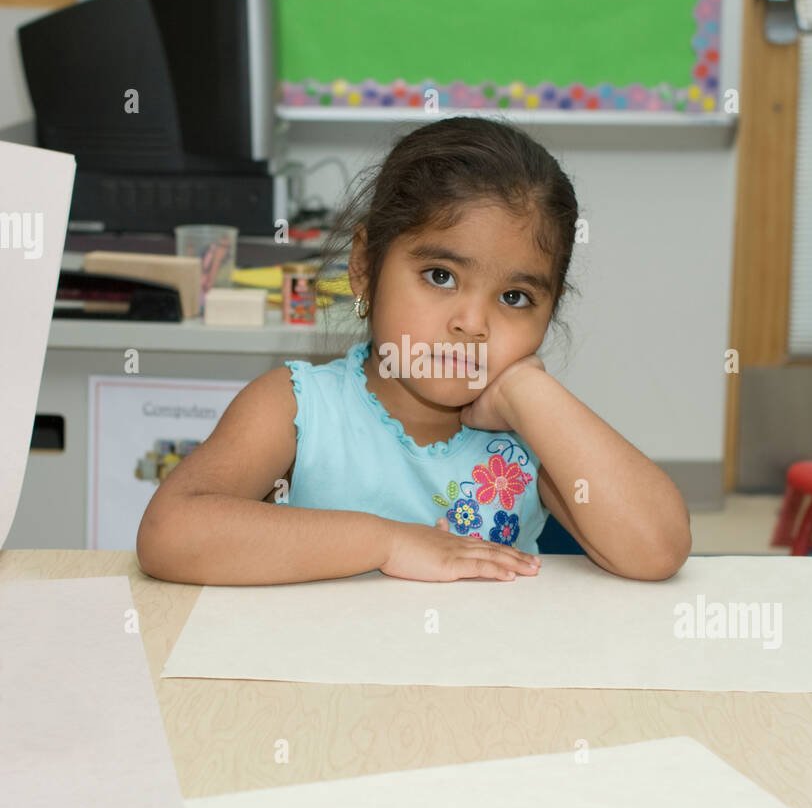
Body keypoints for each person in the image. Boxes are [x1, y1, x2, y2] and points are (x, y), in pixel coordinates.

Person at [137, 116, 691, 586]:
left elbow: (658, 550)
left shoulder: (529, 436)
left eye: (516, 297)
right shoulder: (297, 407)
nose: (472, 323)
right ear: (363, 267)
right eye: (440, 276)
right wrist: (387, 544)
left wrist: (530, 394)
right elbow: (170, 533)